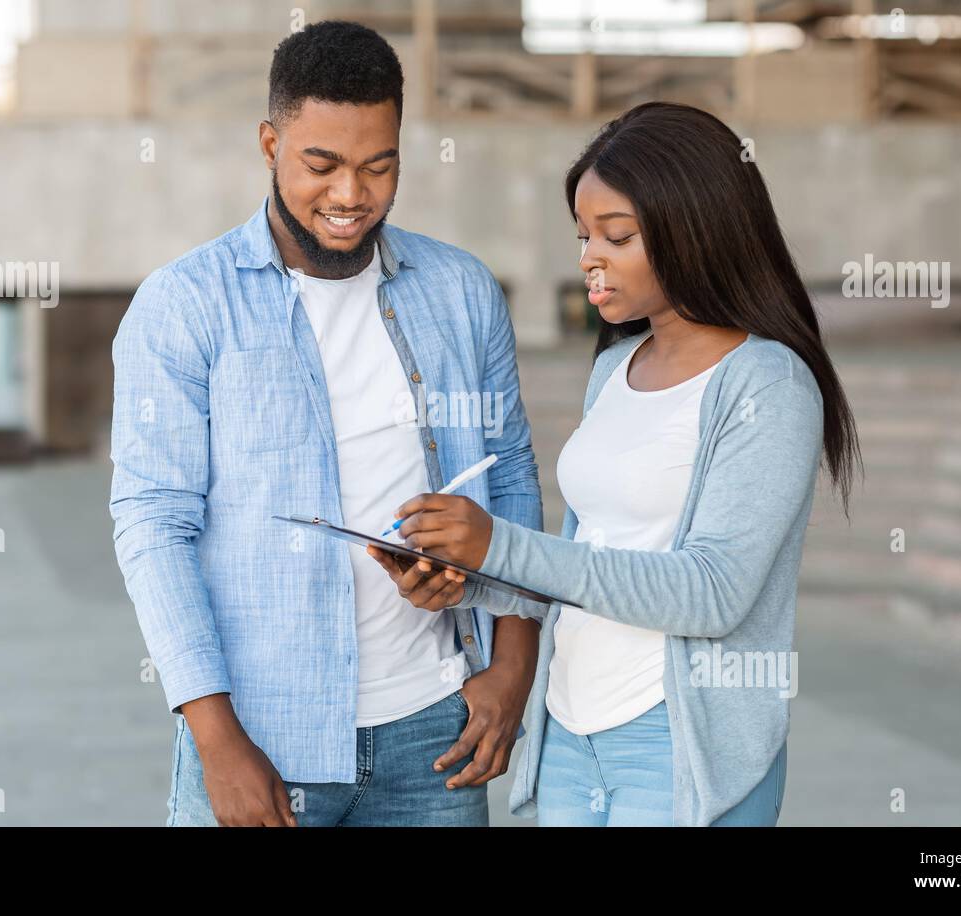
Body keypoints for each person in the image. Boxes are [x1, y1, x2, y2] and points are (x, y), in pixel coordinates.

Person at [369, 102, 862, 827]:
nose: (588, 256)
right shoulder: (616, 368)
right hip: (570, 732)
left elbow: (713, 592)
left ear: (694, 227)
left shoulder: (768, 385)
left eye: (617, 236)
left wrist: (500, 543)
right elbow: (588, 562)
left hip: (673, 745)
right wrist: (474, 583)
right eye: (583, 235)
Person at [109, 20, 545, 827]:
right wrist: (216, 743)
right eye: (323, 164)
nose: (351, 195)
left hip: (434, 736)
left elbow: (510, 471)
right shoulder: (183, 306)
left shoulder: (461, 291)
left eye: (379, 166)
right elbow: (151, 525)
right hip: (260, 741)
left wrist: (514, 665)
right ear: (270, 143)